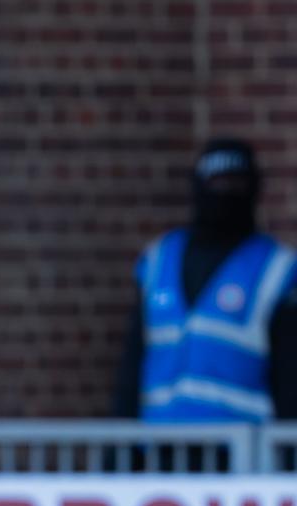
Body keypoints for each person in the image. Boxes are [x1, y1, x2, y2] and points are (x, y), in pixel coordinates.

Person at [113, 139, 297, 424]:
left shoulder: (278, 269)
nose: (224, 194)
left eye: (234, 184)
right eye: (216, 182)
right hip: (161, 448)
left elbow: (290, 376)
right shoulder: (158, 261)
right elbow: (132, 367)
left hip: (240, 452)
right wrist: (120, 451)